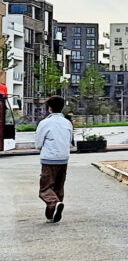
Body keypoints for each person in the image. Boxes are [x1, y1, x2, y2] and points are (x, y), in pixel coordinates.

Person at [35, 95, 73, 224]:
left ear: (49, 109)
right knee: (58, 187)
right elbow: (70, 140)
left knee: (45, 189)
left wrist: (42, 149)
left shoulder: (45, 123)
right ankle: (51, 216)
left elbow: (38, 143)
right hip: (64, 158)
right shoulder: (67, 123)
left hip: (49, 159)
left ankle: (54, 203)